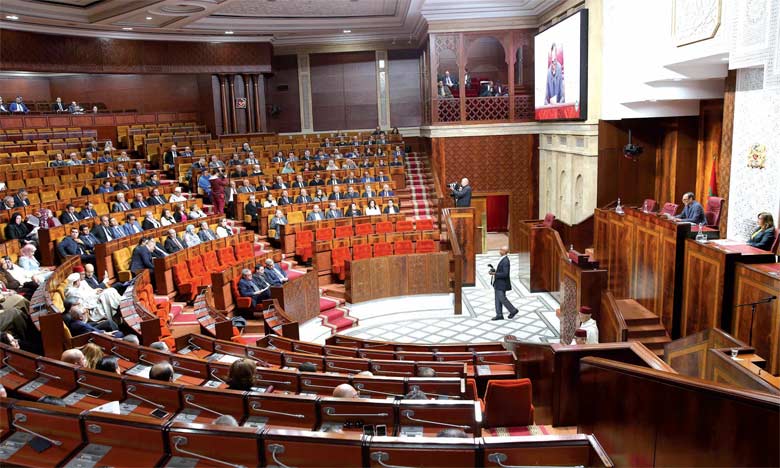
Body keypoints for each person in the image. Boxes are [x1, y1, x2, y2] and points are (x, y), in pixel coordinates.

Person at [489, 246, 519, 320]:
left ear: (505, 251)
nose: (499, 251)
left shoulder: (506, 261)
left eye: (501, 250)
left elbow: (505, 274)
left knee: (502, 298)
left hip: (502, 283)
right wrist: (495, 271)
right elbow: (501, 270)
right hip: (498, 283)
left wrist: (495, 274)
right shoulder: (502, 259)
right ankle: (499, 314)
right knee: (497, 299)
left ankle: (513, 310)